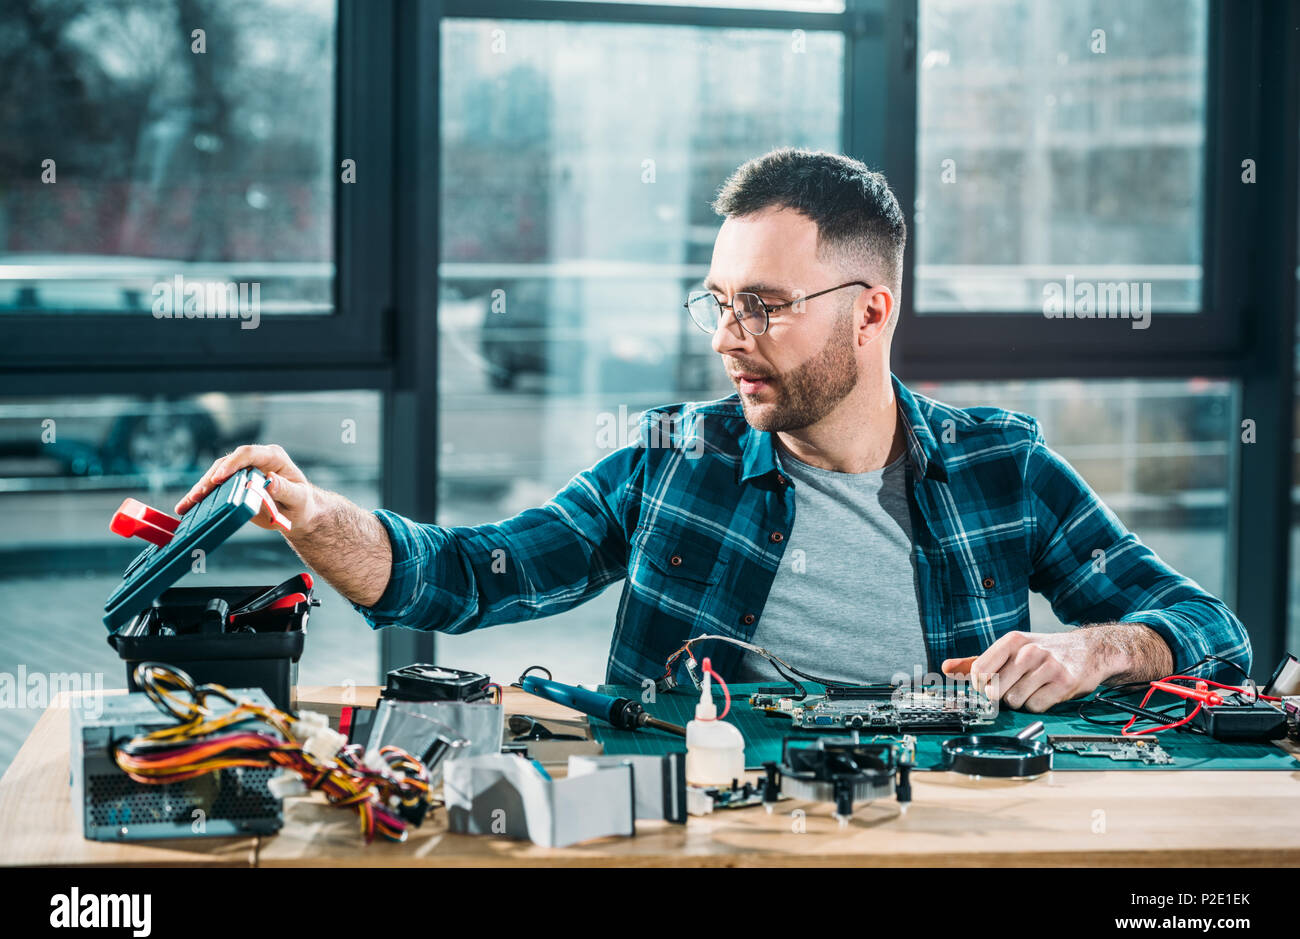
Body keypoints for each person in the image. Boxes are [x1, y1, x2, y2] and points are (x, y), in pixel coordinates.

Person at [176, 148, 1252, 712]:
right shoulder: (668, 461)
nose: (729, 338)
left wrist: (1094, 648)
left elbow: (1210, 632)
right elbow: (470, 574)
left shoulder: (998, 468)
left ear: (870, 310)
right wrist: (318, 519)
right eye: (718, 302)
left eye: (766, 307)